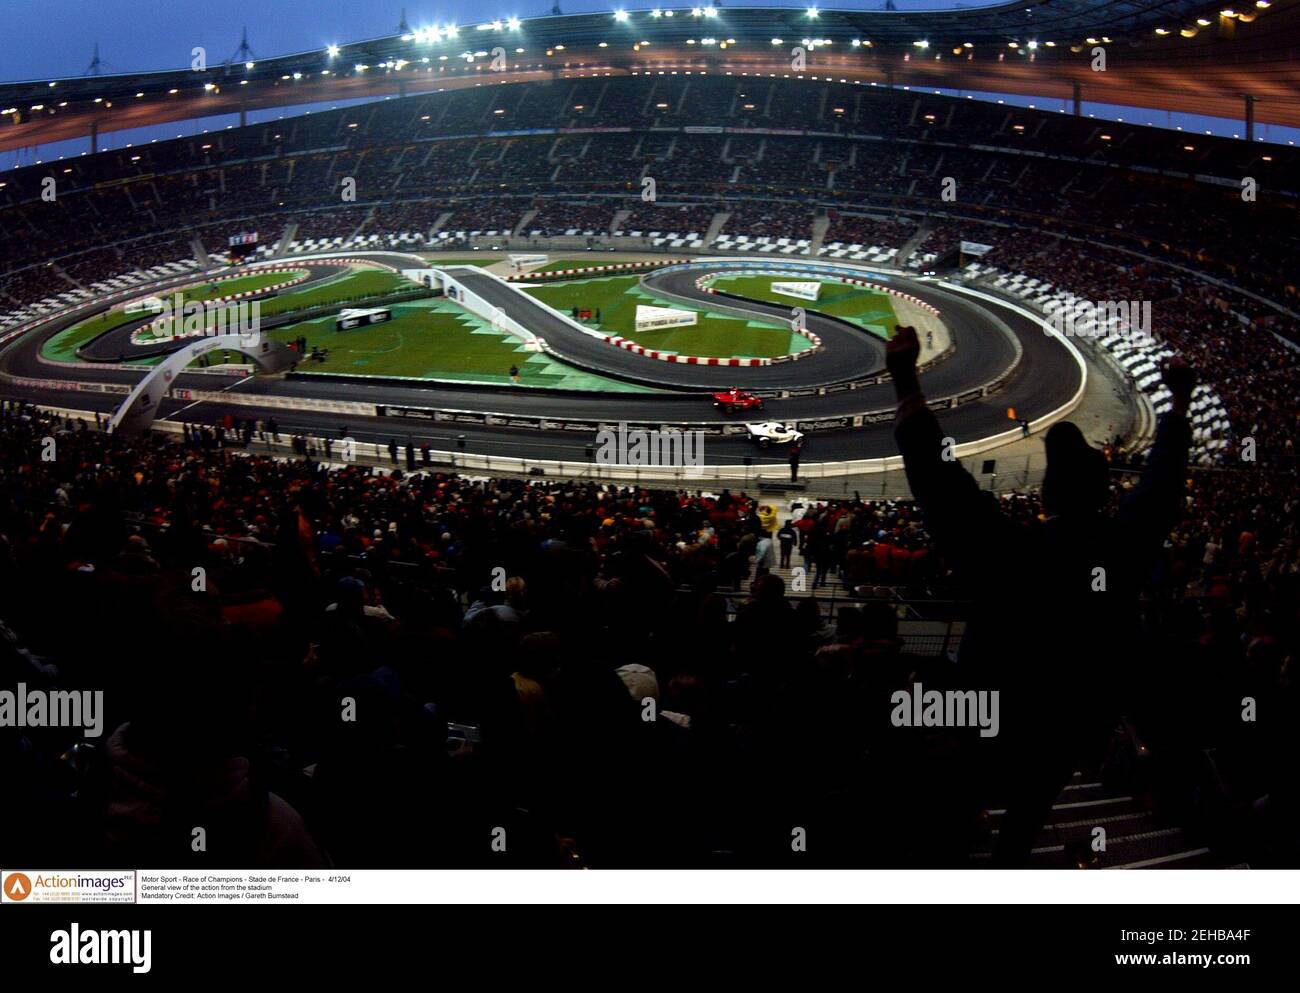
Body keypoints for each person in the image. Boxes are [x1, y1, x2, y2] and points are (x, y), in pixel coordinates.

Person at [884, 324, 1195, 866]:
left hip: (990, 719)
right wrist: (1179, 406)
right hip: (1073, 727)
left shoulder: (1012, 552)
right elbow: (1161, 490)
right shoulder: (1122, 552)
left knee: (932, 747)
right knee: (1031, 805)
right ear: (1103, 496)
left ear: (1046, 496)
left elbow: (939, 484)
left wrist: (906, 378)